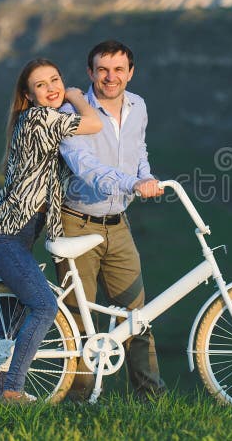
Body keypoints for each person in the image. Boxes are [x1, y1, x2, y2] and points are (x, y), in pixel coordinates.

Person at [0, 58, 102, 405]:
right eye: (41, 85)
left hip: (13, 238)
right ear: (29, 96)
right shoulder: (39, 118)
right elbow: (93, 124)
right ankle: (12, 392)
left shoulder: (38, 119)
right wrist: (77, 96)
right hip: (2, 237)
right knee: (45, 308)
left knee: (17, 322)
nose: (52, 88)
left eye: (56, 80)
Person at [57, 40, 167, 401]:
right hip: (76, 222)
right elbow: (87, 168)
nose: (111, 77)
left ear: (130, 73)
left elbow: (139, 151)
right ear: (90, 73)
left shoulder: (139, 107)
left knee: (137, 315)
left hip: (118, 225)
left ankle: (152, 401)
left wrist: (147, 176)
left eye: (119, 70)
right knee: (77, 320)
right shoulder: (72, 111)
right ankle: (78, 403)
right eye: (103, 69)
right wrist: (133, 183)